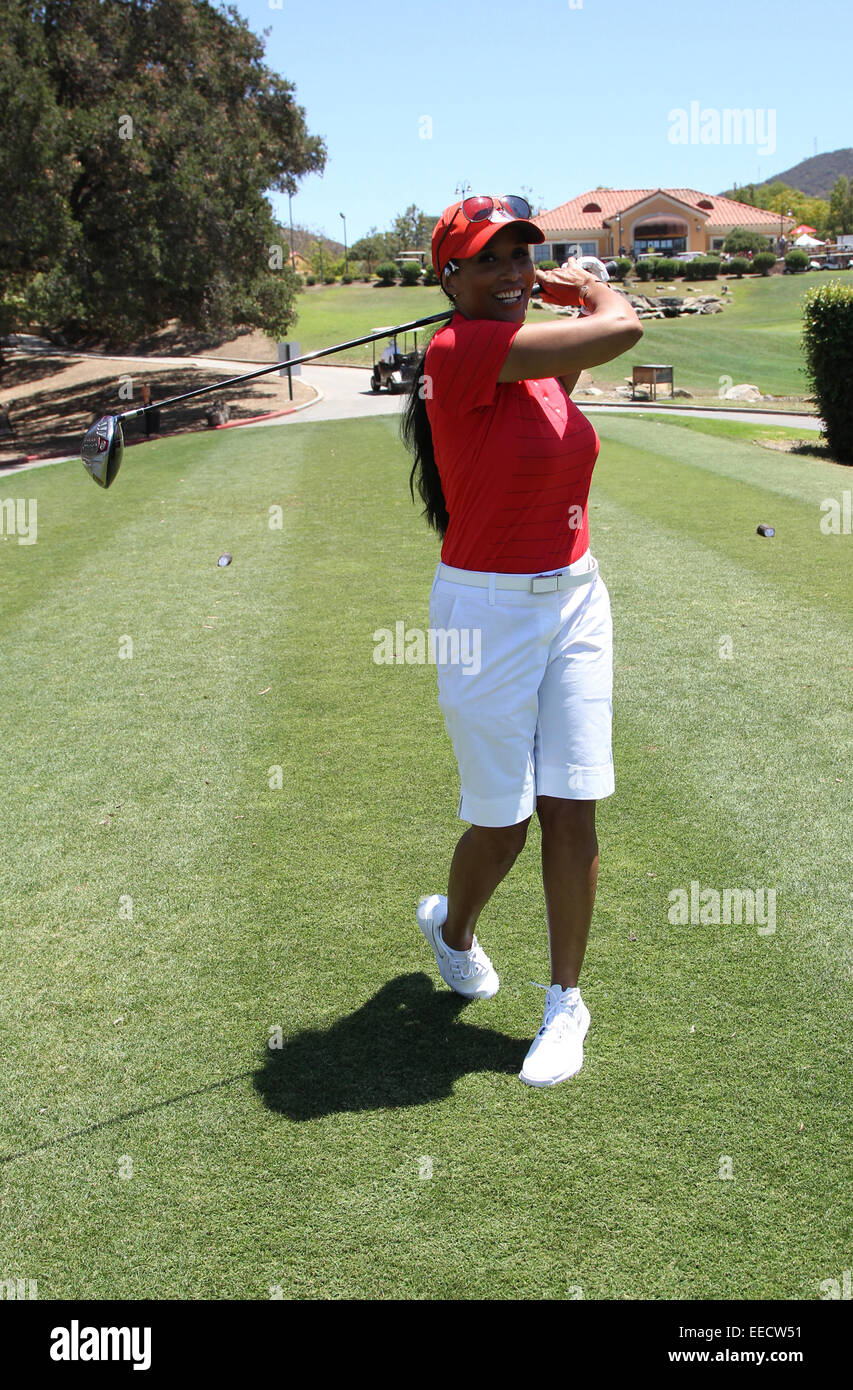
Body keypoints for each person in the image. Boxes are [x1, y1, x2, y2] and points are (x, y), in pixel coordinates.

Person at [401, 194, 643, 1087]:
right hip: (485, 615)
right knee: (499, 821)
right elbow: (619, 335)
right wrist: (591, 290)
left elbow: (567, 378)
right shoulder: (456, 350)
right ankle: (452, 929)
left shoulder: (528, 359)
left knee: (571, 803)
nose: (510, 273)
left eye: (521, 256)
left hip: (575, 598)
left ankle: (563, 1002)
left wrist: (563, 291)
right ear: (449, 277)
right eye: (489, 259)